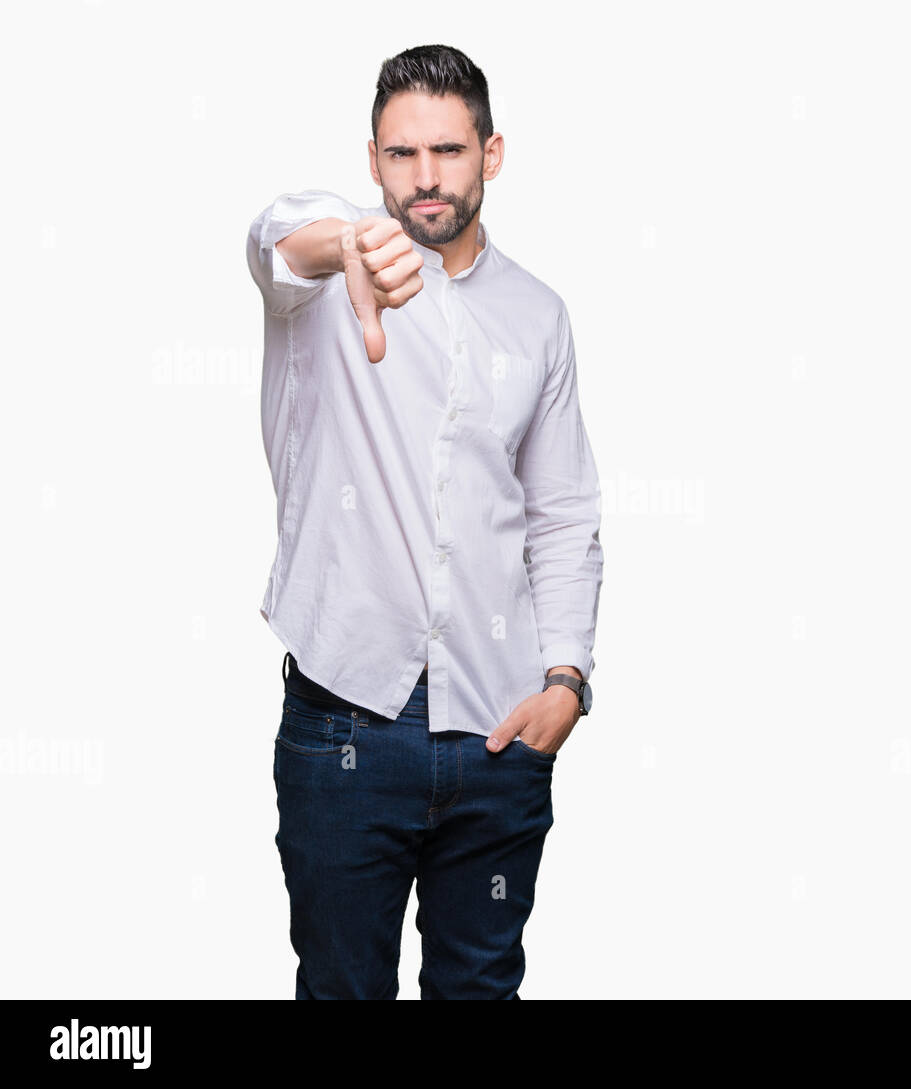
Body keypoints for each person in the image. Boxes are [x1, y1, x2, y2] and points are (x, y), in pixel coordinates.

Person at [245, 43, 603, 999]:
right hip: (344, 726)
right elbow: (275, 241)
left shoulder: (538, 316)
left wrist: (565, 682)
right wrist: (343, 247)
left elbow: (563, 513)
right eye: (401, 155)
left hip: (498, 728)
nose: (426, 177)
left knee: (480, 992)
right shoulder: (324, 280)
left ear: (492, 153)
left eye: (448, 150)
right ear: (372, 161)